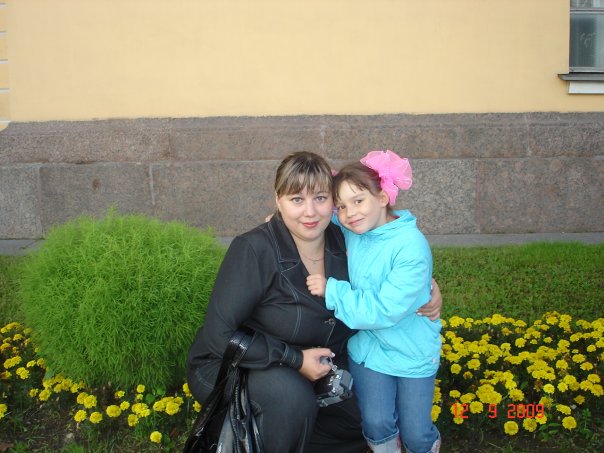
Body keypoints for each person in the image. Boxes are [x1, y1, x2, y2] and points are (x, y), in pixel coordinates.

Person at [187, 151, 442, 453]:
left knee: (366, 412)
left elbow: (387, 261)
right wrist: (295, 360)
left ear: (332, 201)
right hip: (239, 362)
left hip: (317, 361)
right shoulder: (254, 249)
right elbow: (219, 336)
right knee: (291, 398)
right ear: (278, 200)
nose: (309, 212)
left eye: (320, 198)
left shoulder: (344, 237)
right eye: (296, 200)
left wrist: (427, 286)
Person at [306, 150, 441, 453]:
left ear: (382, 197)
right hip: (369, 352)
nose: (349, 213)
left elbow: (384, 309)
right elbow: (314, 216)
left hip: (411, 352)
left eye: (358, 201)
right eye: (342, 205)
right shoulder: (355, 228)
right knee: (377, 423)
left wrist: (333, 291)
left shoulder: (410, 246)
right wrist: (278, 223)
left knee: (416, 433)